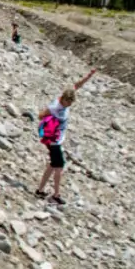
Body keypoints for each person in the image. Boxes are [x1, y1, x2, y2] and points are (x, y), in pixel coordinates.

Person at [35, 68, 98, 204]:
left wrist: (89, 75)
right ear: (63, 99)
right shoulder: (55, 107)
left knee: (52, 166)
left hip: (57, 139)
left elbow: (77, 86)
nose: (68, 105)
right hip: (53, 141)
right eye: (67, 103)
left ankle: (40, 190)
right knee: (59, 167)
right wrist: (51, 120)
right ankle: (56, 195)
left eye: (70, 103)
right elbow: (41, 115)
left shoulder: (65, 98)